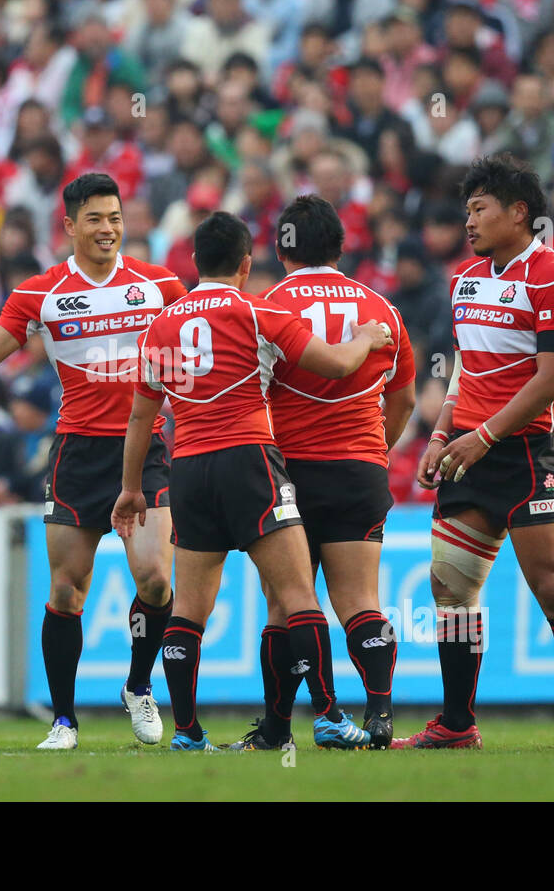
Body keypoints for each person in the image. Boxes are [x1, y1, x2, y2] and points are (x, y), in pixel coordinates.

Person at [0, 173, 188, 750]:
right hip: (77, 452)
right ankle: (65, 720)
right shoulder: (41, 293)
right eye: (96, 219)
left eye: (116, 218)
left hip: (144, 449)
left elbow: (203, 341)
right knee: (68, 590)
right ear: (69, 225)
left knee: (153, 580)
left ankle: (138, 684)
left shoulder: (160, 285)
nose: (108, 229)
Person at [110, 211, 393, 751]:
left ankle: (188, 733)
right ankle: (330, 715)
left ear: (194, 262)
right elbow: (335, 365)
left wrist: (130, 489)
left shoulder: (160, 327)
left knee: (189, 606)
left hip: (188, 471)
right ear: (245, 264)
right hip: (251, 462)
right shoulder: (256, 311)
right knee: (297, 595)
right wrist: (366, 336)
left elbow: (141, 420)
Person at [404, 154, 554, 749]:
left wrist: (481, 435)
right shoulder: (465, 280)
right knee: (451, 587)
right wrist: (440, 434)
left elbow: (552, 378)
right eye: (466, 210)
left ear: (519, 213)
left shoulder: (553, 276)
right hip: (467, 449)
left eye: (479, 208)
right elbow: (465, 370)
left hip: (526, 452)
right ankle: (458, 724)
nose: (469, 220)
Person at [228, 194, 416, 751]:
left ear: (282, 250)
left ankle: (277, 728)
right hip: (359, 467)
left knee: (286, 603)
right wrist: (375, 451)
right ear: (340, 244)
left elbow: (249, 395)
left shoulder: (264, 307)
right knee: (360, 599)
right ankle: (379, 715)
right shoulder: (383, 311)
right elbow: (403, 400)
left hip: (285, 473)